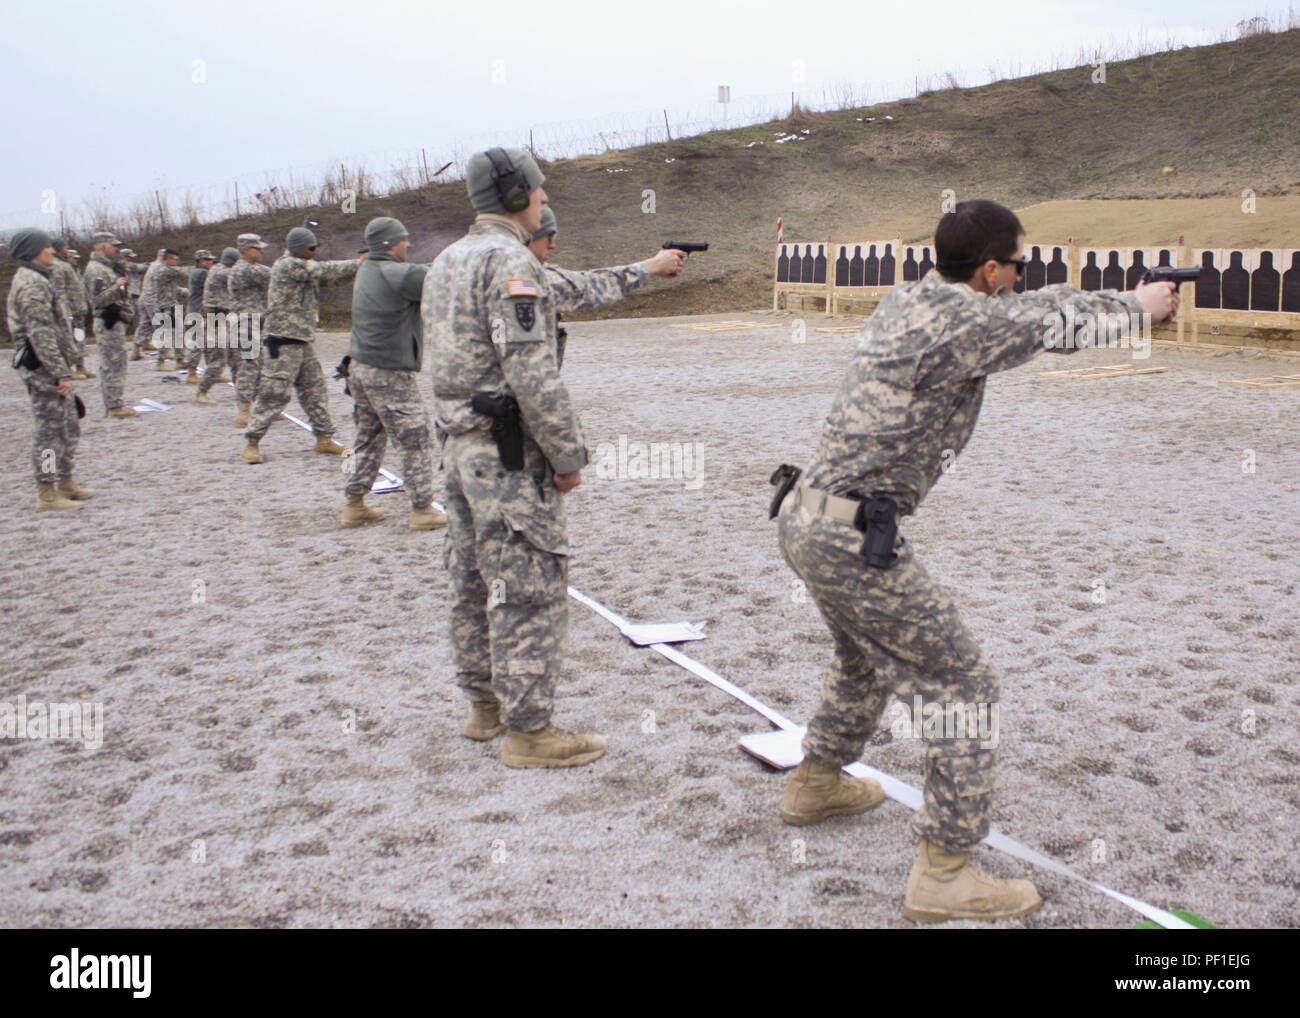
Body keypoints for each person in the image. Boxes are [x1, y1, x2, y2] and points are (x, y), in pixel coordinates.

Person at [772, 199, 1178, 923]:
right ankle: (945, 872)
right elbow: (1054, 327)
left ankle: (817, 781)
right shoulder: (969, 324)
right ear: (990, 270)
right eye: (1018, 264)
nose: (1024, 275)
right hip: (850, 537)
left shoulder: (913, 299)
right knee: (964, 684)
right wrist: (1138, 310)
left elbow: (1038, 307)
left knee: (865, 660)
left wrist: (1117, 294)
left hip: (809, 516)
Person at [425, 148, 604, 767]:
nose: (545, 198)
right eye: (539, 190)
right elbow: (532, 372)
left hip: (458, 450)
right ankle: (530, 732)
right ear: (514, 195)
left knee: (472, 581)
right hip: (505, 458)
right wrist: (567, 454)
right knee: (528, 587)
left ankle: (485, 709)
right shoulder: (510, 262)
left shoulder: (447, 260)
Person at [341, 216, 446, 531]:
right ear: (389, 244)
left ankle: (354, 504)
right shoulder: (399, 274)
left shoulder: (368, 269)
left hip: (359, 367)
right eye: (403, 239)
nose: (408, 244)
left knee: (368, 437)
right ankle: (422, 509)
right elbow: (442, 278)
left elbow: (420, 272)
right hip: (388, 373)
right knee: (415, 439)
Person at [240, 227, 359, 463]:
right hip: (283, 340)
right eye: (311, 248)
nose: (315, 252)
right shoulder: (288, 265)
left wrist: (363, 266)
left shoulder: (302, 266)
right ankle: (252, 443)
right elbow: (325, 271)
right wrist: (361, 262)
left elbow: (333, 277)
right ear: (298, 248)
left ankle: (324, 439)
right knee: (274, 393)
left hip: (302, 340)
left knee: (315, 390)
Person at [525, 206, 685, 369]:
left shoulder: (519, 267)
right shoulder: (527, 275)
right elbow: (589, 286)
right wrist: (652, 266)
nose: (553, 244)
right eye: (549, 236)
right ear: (528, 237)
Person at [6, 228, 91, 510]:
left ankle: (65, 482)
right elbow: (40, 333)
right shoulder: (31, 284)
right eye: (46, 247)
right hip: (42, 367)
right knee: (49, 431)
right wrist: (59, 373)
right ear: (32, 252)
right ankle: (47, 493)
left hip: (50, 365)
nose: (52, 251)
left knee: (68, 424)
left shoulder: (40, 278)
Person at [82, 231, 138, 417]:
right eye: (114, 246)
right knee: (112, 363)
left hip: (116, 320)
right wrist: (117, 286)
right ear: (102, 246)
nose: (117, 250)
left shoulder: (108, 267)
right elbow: (97, 299)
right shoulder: (96, 269)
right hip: (108, 320)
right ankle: (114, 406)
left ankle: (114, 404)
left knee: (116, 362)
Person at [227, 235, 273, 422]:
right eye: (257, 248)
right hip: (246, 323)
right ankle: (244, 410)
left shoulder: (251, 268)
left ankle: (261, 405)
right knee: (249, 365)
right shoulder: (244, 269)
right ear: (246, 250)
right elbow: (274, 274)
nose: (262, 251)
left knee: (259, 364)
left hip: (253, 322)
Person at [196, 246, 240, 406]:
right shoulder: (222, 272)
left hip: (224, 319)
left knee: (236, 358)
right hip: (215, 320)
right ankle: (202, 391)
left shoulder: (218, 269)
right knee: (218, 360)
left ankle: (243, 393)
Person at [138, 249, 190, 371]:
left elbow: (172, 288)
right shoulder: (162, 270)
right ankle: (160, 361)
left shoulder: (168, 271)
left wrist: (182, 291)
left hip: (172, 303)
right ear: (167, 259)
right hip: (163, 306)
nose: (176, 262)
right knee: (165, 334)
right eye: (174, 259)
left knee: (179, 333)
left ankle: (180, 360)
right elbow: (185, 272)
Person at [49, 237, 93, 380]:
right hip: (68, 310)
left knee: (79, 338)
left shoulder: (68, 266)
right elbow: (59, 291)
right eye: (64, 246)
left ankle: (80, 366)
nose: (67, 248)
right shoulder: (57, 265)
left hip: (77, 309)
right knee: (67, 339)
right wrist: (64, 310)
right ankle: (67, 368)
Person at [183, 250, 217, 385]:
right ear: (200, 261)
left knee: (209, 344)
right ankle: (191, 373)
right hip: (197, 312)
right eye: (207, 260)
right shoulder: (201, 273)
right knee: (197, 344)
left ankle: (211, 373)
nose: (210, 262)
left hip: (201, 312)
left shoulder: (198, 271)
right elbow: (215, 281)